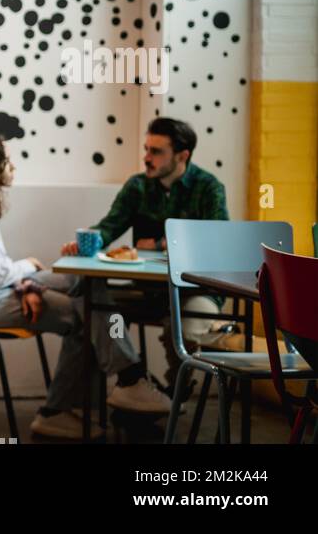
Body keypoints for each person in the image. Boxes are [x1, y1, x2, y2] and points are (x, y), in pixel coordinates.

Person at [0, 132, 170, 440]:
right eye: (7, 160)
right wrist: (30, 267)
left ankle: (122, 383)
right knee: (87, 312)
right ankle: (115, 385)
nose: (13, 167)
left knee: (84, 282)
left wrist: (28, 286)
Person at [60, 117, 229, 388]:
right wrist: (86, 243)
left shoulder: (209, 187)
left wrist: (162, 243)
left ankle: (174, 394)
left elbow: (218, 241)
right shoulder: (137, 186)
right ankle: (127, 381)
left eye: (156, 151)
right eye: (146, 149)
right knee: (90, 307)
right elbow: (109, 226)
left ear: (182, 155)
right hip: (147, 289)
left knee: (182, 333)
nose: (146, 158)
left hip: (195, 290)